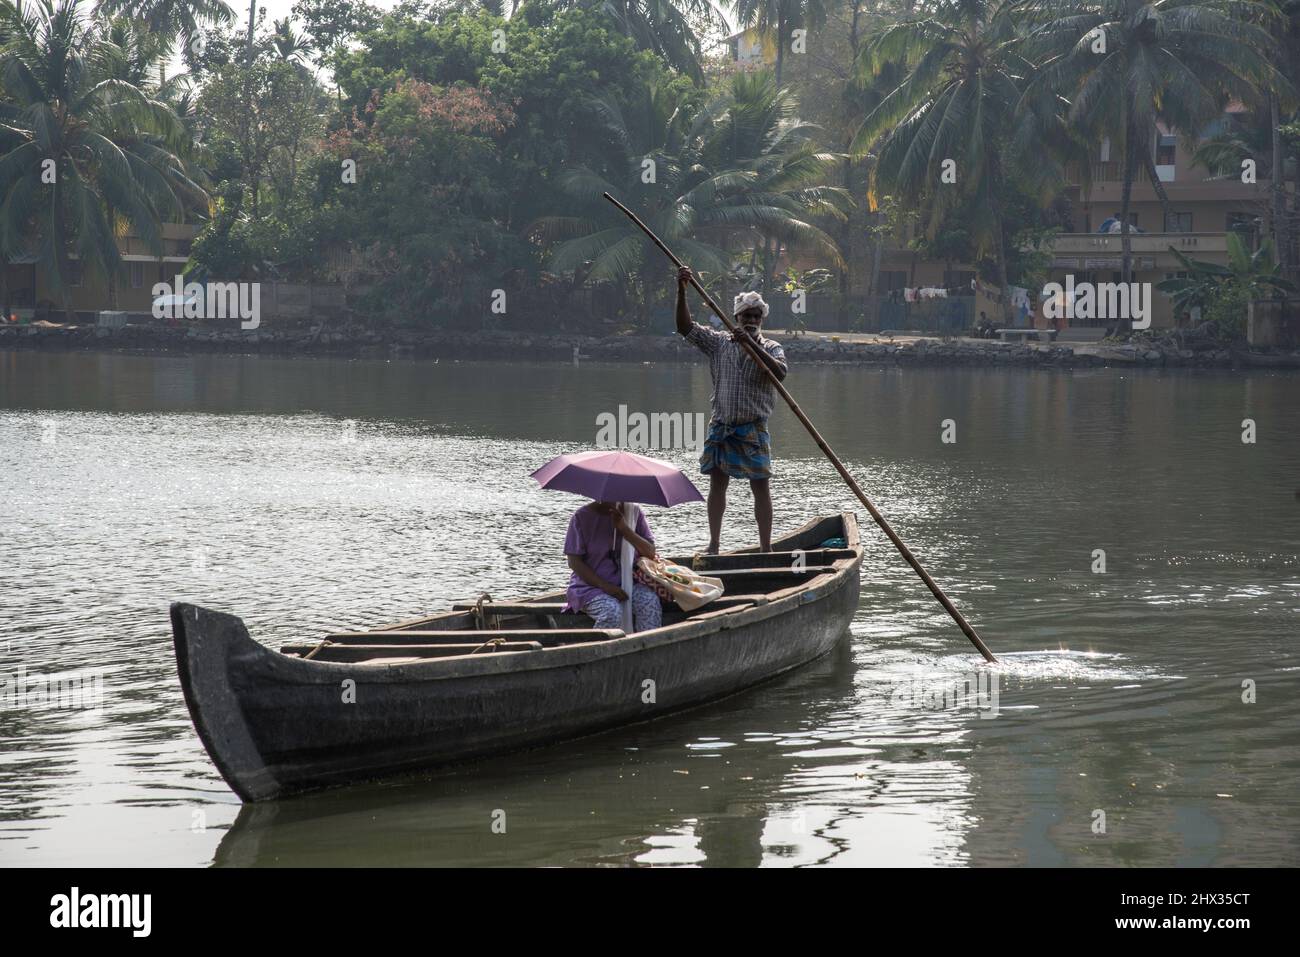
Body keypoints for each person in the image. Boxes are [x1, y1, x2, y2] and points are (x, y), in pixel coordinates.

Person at [675, 266, 788, 553]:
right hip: (723, 425)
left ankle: (766, 548)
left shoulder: (771, 347)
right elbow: (685, 328)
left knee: (760, 487)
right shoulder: (719, 344)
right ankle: (714, 544)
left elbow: (779, 373)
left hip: (753, 428)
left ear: (760, 320)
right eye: (745, 316)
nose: (750, 320)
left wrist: (752, 345)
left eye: (755, 317)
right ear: (736, 317)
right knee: (717, 486)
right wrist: (682, 289)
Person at [563, 500, 662, 632]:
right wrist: (604, 585)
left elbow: (650, 552)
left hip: (628, 584)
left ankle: (647, 648)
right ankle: (595, 651)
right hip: (590, 588)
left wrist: (624, 529)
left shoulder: (634, 513)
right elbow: (574, 562)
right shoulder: (581, 517)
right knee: (611, 611)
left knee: (650, 602)